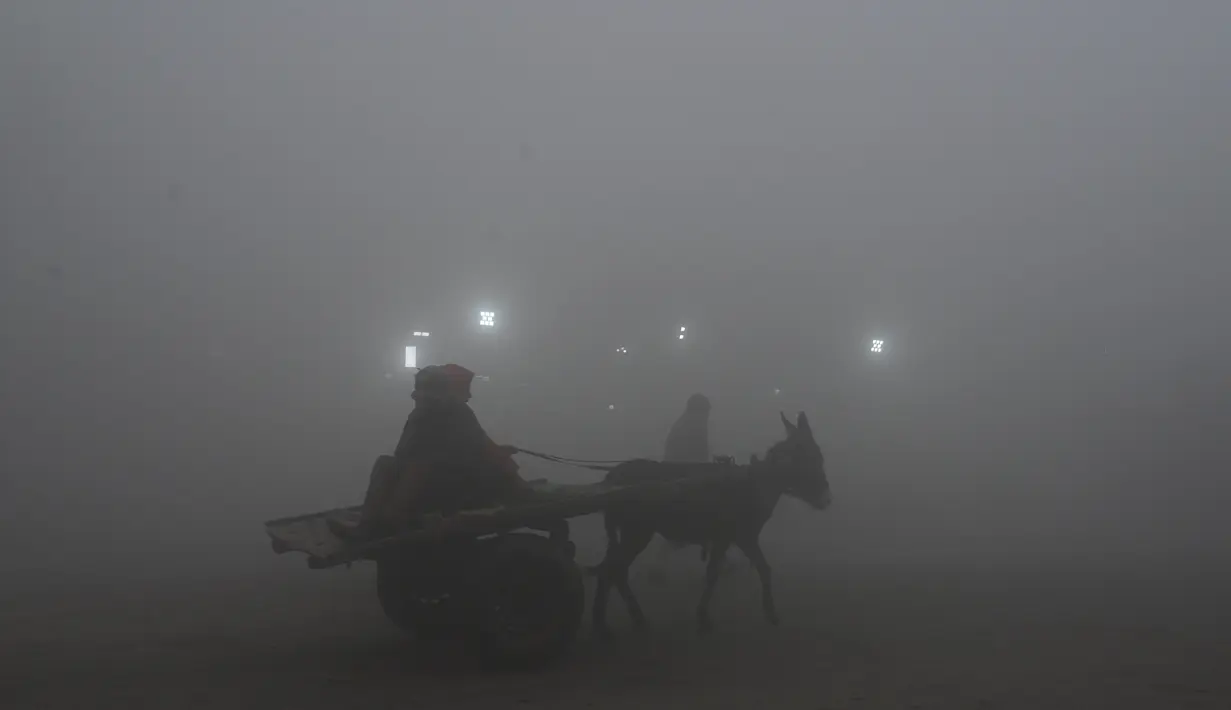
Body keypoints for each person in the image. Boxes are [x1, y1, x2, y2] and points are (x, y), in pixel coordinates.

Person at [331, 364, 526, 541]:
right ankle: (378, 522)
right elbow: (481, 445)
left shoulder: (443, 415)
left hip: (454, 489)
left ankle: (378, 525)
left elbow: (419, 459)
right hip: (446, 483)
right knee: (393, 465)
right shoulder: (441, 413)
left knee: (405, 466)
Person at [647, 393, 713, 584]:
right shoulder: (689, 428)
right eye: (705, 411)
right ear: (697, 411)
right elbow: (689, 457)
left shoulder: (689, 425)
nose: (707, 415)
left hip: (685, 476)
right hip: (681, 478)